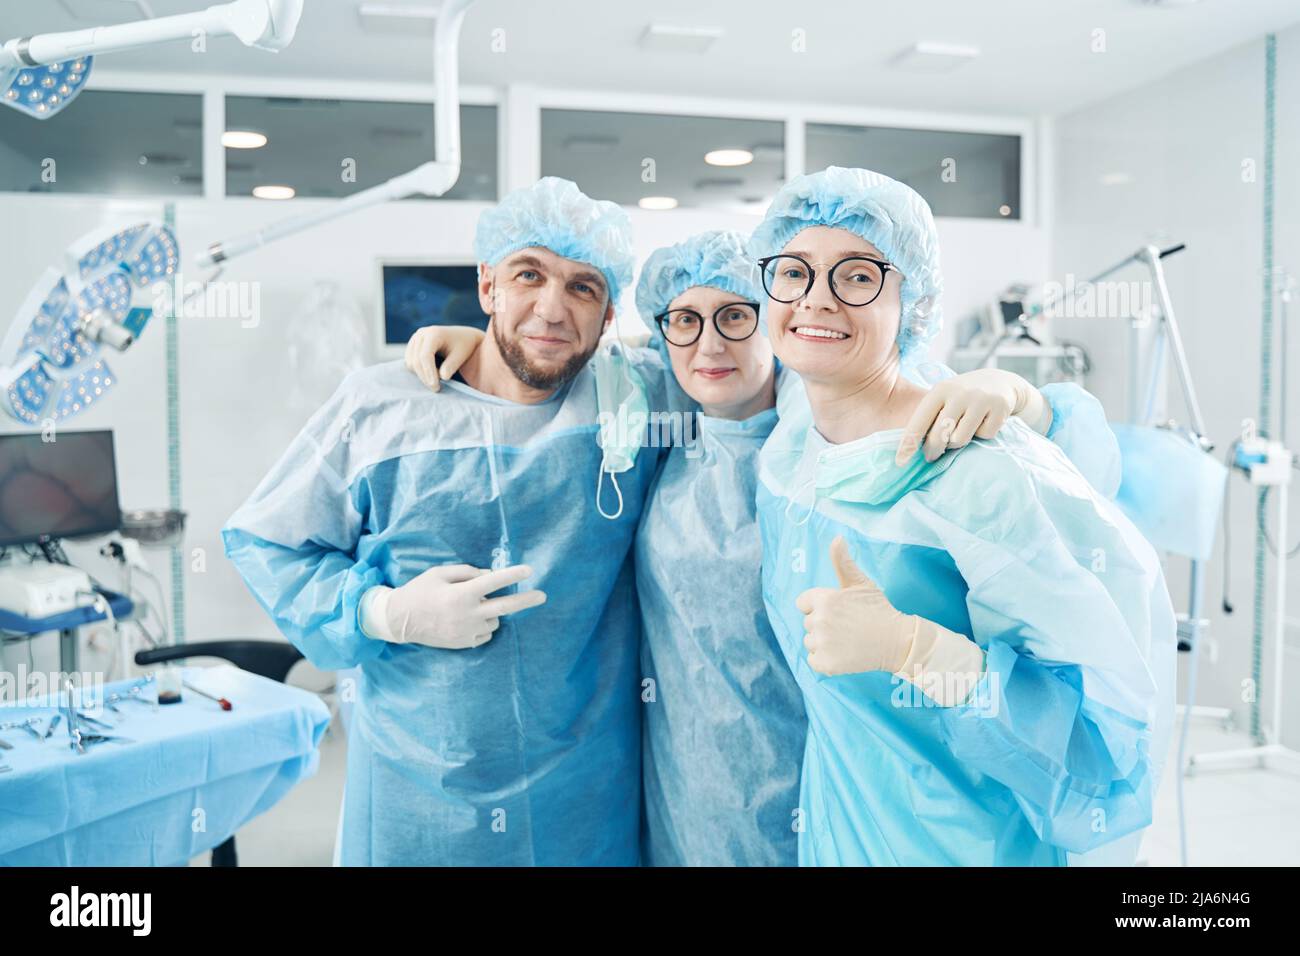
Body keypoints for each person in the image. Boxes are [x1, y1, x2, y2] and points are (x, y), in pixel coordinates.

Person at [407, 222, 1128, 866]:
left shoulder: (824, 431)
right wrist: (483, 348)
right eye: (685, 321)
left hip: (820, 787)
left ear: (775, 326)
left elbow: (978, 430)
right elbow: (578, 362)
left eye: (735, 316)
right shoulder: (663, 430)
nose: (709, 342)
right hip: (684, 789)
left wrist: (1026, 398)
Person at [222, 177, 669, 866]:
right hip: (420, 794)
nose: (552, 308)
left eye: (583, 287)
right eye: (529, 276)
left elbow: (749, 361)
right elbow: (268, 541)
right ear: (486, 286)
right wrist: (384, 612)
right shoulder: (382, 405)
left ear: (609, 316)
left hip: (584, 801)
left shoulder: (627, 404)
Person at [750, 166, 1176, 865]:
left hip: (964, 845)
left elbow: (1099, 758)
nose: (816, 300)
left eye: (857, 276)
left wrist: (920, 652)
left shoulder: (974, 472)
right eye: (793, 272)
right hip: (844, 827)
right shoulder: (793, 439)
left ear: (910, 302)